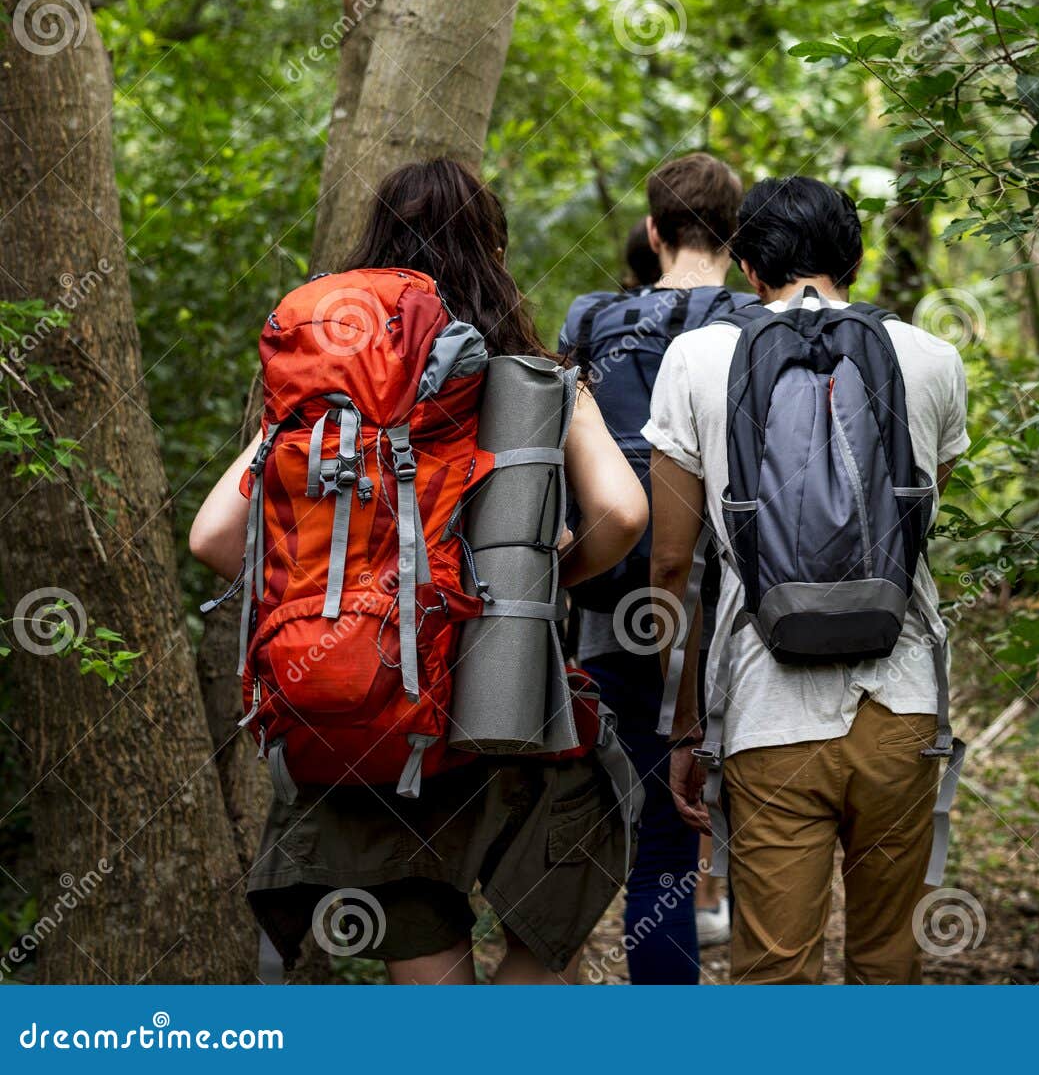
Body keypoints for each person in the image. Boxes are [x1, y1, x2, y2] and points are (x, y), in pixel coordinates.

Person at [189, 158, 648, 985]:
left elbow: (214, 537)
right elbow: (623, 512)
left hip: (375, 718)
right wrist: (541, 586)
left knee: (426, 980)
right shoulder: (536, 377)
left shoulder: (325, 405)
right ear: (494, 253)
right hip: (510, 711)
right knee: (575, 871)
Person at [647, 175, 970, 984]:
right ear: (854, 260)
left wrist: (686, 727)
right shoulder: (933, 359)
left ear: (748, 266)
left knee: (775, 975)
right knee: (884, 963)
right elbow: (914, 529)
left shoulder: (696, 358)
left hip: (766, 709)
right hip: (901, 703)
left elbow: (672, 565)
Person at [559, 152, 752, 984]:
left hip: (611, 611)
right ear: (739, 238)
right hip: (736, 629)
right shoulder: (760, 325)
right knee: (713, 841)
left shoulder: (595, 321)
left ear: (652, 230)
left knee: (653, 851)